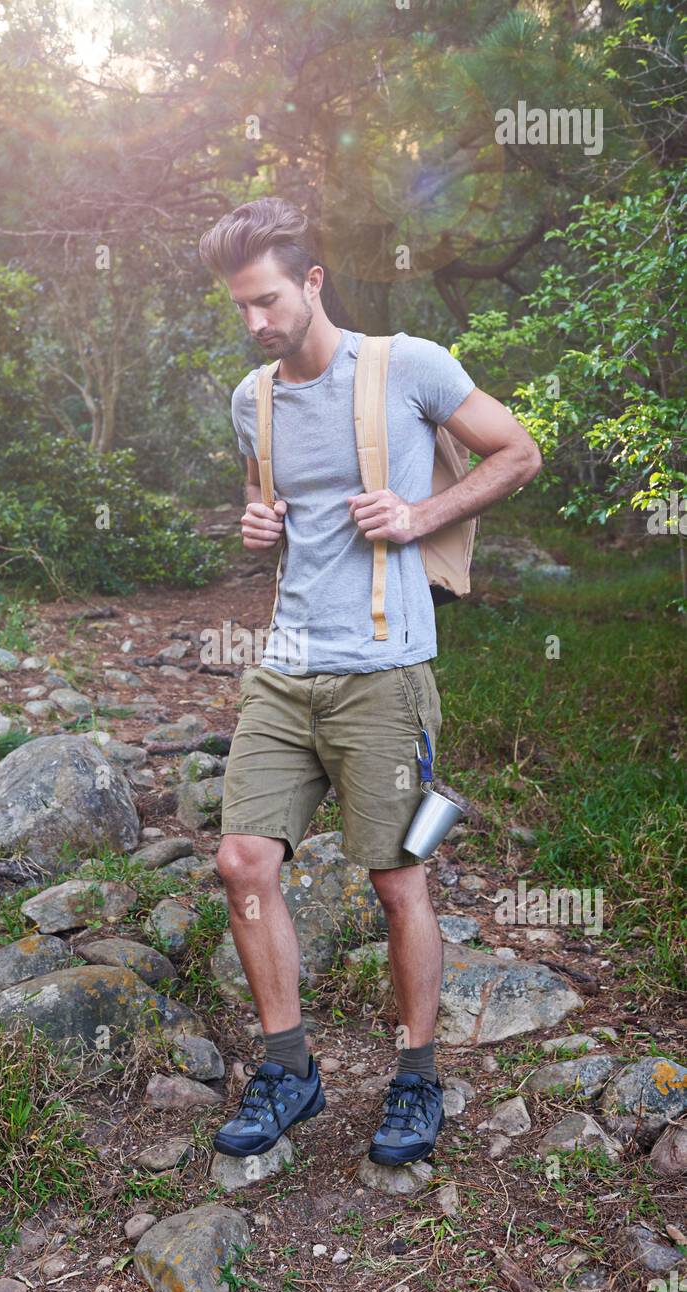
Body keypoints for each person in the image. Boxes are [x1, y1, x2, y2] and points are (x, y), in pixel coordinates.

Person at [197, 196, 542, 1166]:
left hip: (384, 674)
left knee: (398, 881)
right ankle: (290, 1068)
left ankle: (417, 1076)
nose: (256, 322)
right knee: (243, 864)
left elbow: (518, 451)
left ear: (312, 281)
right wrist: (256, 524)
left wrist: (422, 512)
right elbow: (273, 508)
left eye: (267, 299)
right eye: (240, 308)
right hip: (285, 670)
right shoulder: (249, 398)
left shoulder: (408, 366)